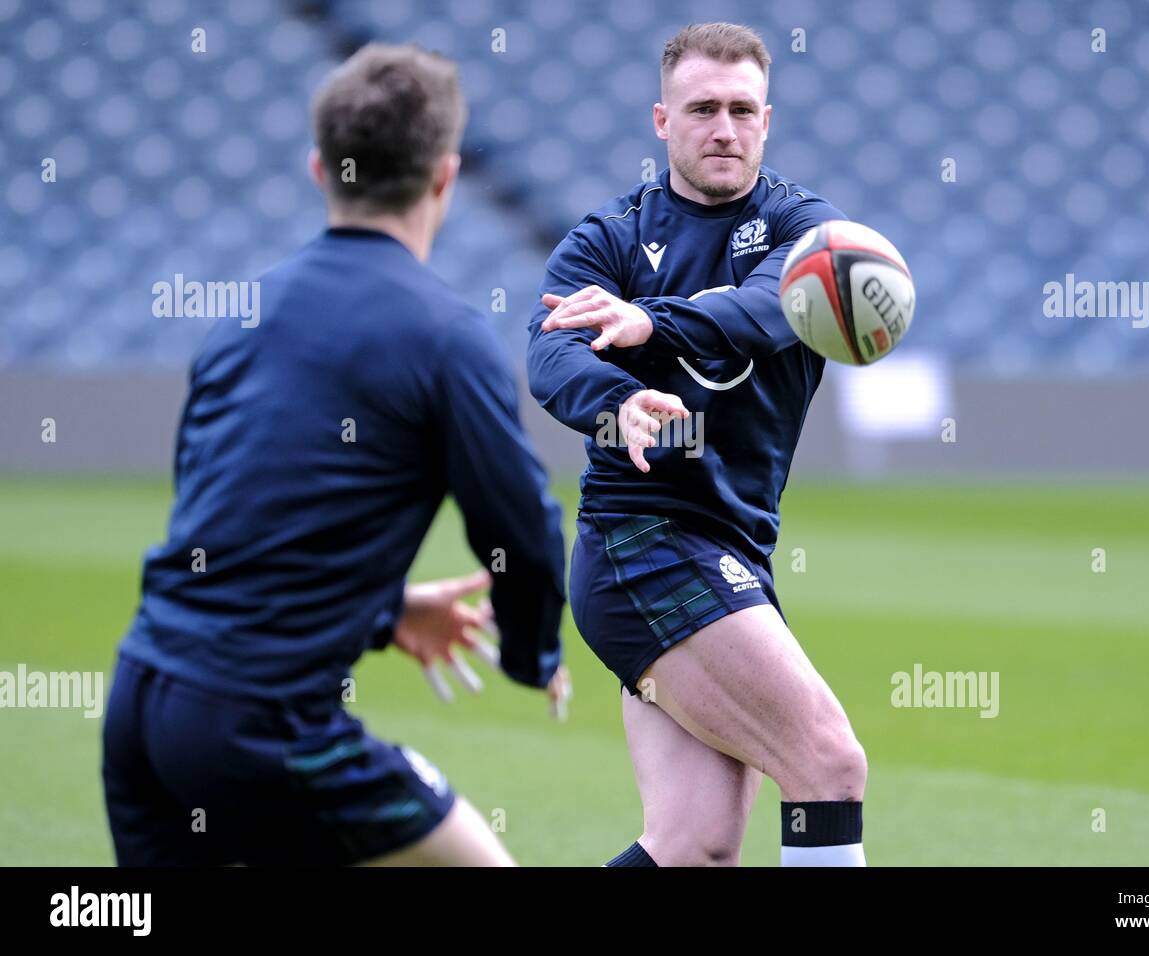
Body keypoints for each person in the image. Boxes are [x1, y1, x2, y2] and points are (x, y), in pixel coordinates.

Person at [103, 43, 569, 866]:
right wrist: (533, 655)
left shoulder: (242, 317)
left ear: (320, 169)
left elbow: (227, 531)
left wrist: (386, 612)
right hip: (259, 725)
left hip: (140, 704)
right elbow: (524, 529)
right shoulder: (447, 338)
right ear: (445, 179)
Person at [528, 22, 867, 867]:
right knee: (828, 762)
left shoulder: (805, 228)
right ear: (661, 121)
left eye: (742, 109)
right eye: (703, 108)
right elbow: (548, 351)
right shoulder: (608, 237)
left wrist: (651, 321)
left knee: (696, 848)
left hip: (734, 545)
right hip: (641, 542)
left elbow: (770, 310)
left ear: (767, 119)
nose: (724, 127)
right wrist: (615, 397)